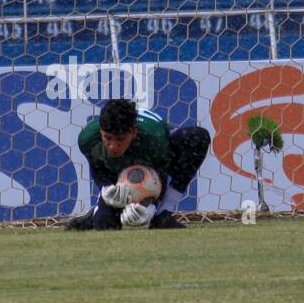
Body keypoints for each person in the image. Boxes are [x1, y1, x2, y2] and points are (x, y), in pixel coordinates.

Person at [65, 98, 210, 230]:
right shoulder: (88, 139)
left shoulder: (154, 139)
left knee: (197, 137)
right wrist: (107, 189)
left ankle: (163, 213)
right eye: (107, 138)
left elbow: (160, 175)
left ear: (134, 132)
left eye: (120, 139)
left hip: (152, 165)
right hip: (118, 170)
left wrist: (151, 205)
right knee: (105, 225)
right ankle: (94, 214)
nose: (112, 146)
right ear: (101, 131)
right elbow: (98, 169)